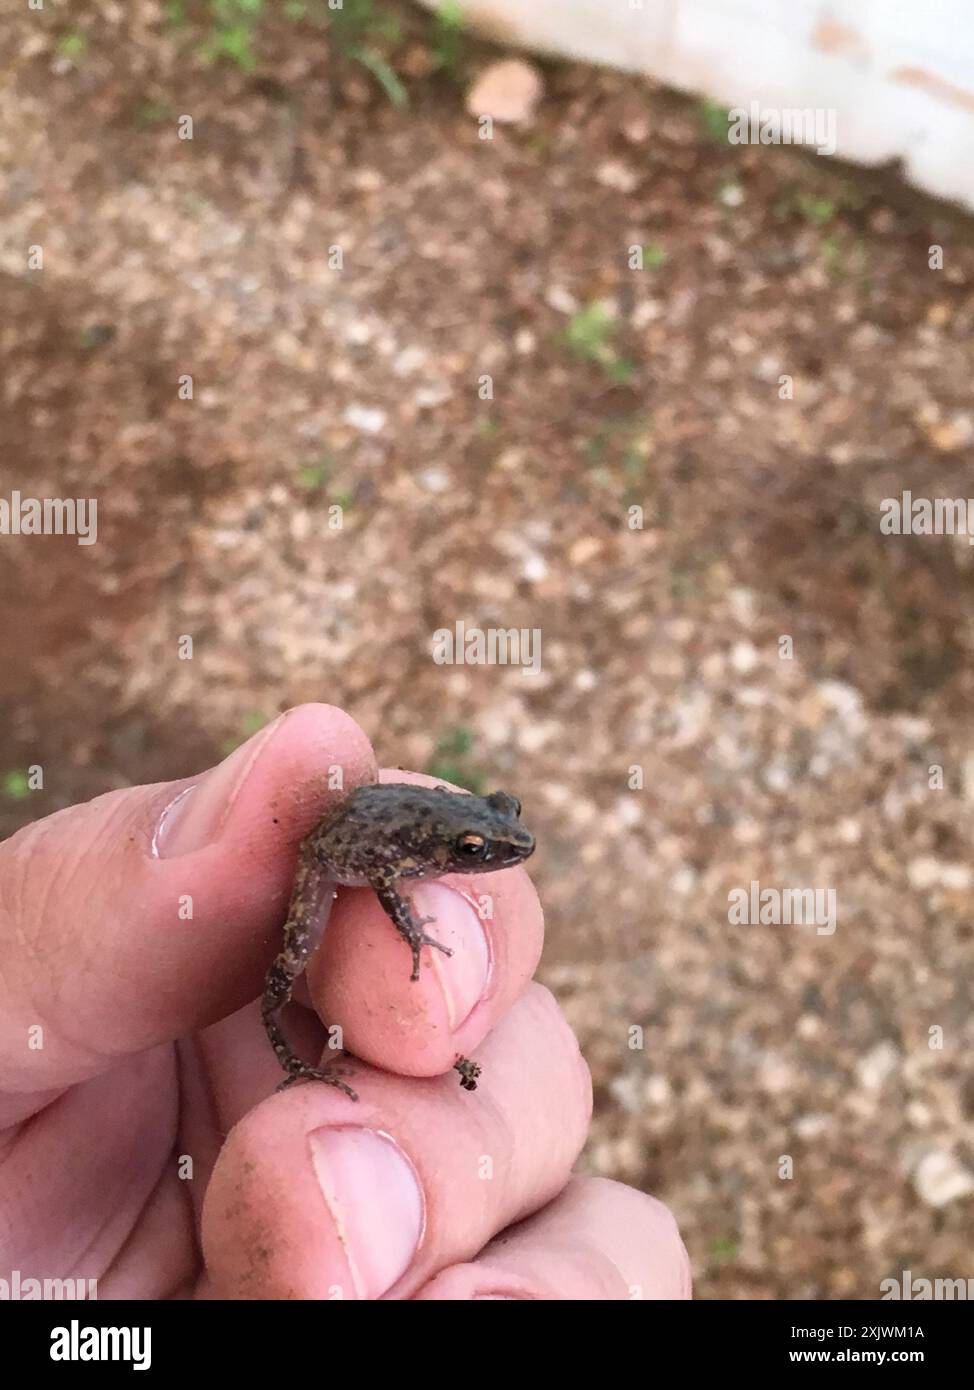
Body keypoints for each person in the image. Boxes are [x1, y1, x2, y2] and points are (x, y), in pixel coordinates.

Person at [0, 703, 690, 1299]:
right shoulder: (406, 855)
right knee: (292, 973)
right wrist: (414, 932)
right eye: (477, 848)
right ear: (450, 846)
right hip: (322, 859)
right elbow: (387, 880)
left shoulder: (429, 848)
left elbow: (399, 869)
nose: (499, 851)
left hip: (359, 848)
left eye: (490, 833)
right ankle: (287, 1050)